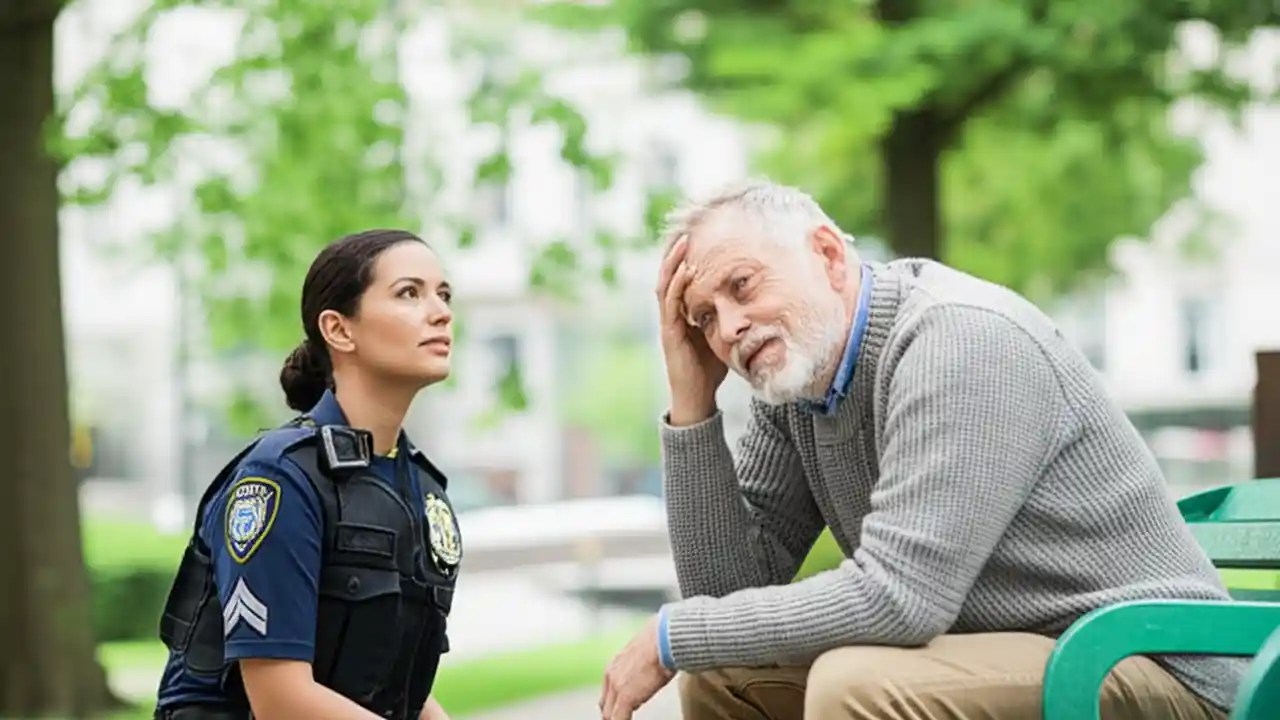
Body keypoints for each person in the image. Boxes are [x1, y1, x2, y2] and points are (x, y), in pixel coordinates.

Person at [597, 180, 1243, 720]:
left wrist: (671, 635)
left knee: (854, 686)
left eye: (742, 286)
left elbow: (897, 599)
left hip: (1152, 663)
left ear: (826, 254)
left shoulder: (958, 341)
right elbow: (727, 597)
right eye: (704, 317)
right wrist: (690, 405)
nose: (729, 327)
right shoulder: (795, 388)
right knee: (719, 676)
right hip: (1019, 650)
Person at [154, 229, 463, 720]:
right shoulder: (281, 479)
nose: (441, 312)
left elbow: (398, 685)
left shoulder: (421, 491)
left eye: (443, 294)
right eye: (409, 293)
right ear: (340, 330)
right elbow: (282, 700)